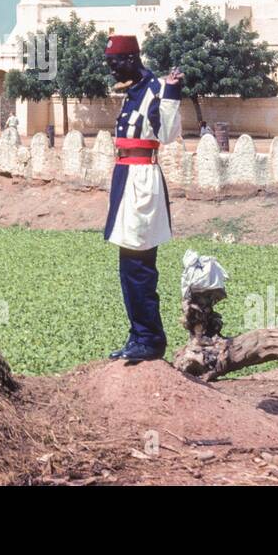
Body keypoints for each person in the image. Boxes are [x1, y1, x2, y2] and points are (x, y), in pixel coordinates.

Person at [103, 35, 183, 363]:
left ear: (133, 58)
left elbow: (167, 134)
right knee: (129, 264)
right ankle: (139, 334)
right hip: (127, 176)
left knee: (138, 265)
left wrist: (172, 93)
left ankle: (150, 338)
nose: (112, 70)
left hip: (141, 179)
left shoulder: (154, 89)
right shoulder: (133, 90)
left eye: (116, 63)